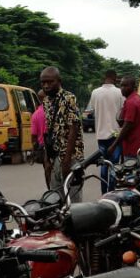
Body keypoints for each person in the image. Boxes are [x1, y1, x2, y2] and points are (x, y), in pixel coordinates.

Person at [39, 66, 83, 199]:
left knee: (73, 199)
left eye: (50, 82)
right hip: (54, 156)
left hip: (71, 156)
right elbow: (49, 130)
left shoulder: (69, 98)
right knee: (55, 199)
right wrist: (47, 159)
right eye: (43, 82)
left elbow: (73, 129)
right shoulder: (46, 101)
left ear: (59, 81)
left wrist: (67, 160)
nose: (46, 86)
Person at [88, 69, 124, 192]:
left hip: (101, 135)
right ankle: (112, 191)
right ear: (115, 78)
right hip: (115, 134)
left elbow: (92, 110)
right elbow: (123, 112)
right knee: (114, 165)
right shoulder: (120, 92)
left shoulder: (95, 92)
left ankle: (104, 192)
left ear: (104, 77)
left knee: (104, 163)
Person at [118, 76, 140, 193]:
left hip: (133, 147)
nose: (122, 88)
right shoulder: (137, 99)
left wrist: (114, 145)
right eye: (121, 85)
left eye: (125, 85)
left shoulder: (131, 102)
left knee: (132, 182)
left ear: (133, 87)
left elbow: (127, 125)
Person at [31, 89, 50, 188]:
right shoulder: (56, 110)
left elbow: (34, 135)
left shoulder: (36, 115)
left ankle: (51, 191)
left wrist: (34, 149)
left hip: (43, 147)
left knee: (47, 171)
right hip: (57, 145)